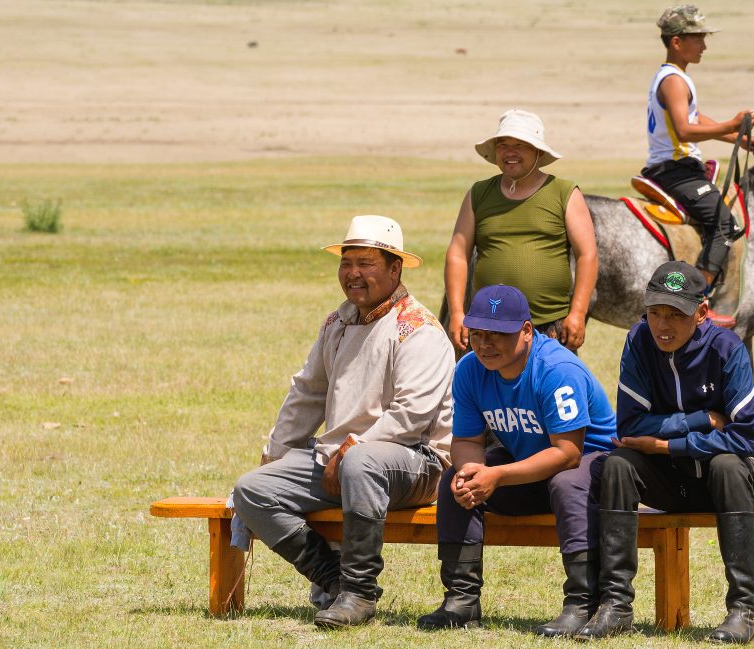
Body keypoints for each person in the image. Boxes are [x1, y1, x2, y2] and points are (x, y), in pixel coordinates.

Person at [231, 215, 454, 630]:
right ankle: (334, 580)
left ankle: (360, 592)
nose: (353, 273)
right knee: (252, 490)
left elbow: (412, 415)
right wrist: (276, 454)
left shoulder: (418, 328)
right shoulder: (338, 322)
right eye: (347, 262)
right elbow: (308, 393)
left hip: (417, 462)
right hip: (339, 459)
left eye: (366, 263)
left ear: (394, 268)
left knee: (361, 464)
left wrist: (352, 450)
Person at [577, 261, 754, 644]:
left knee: (729, 466)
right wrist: (699, 419)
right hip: (668, 475)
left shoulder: (727, 348)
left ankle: (741, 611)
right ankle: (616, 606)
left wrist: (667, 444)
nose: (662, 325)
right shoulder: (638, 340)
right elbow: (630, 427)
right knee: (617, 464)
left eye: (675, 315)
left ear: (700, 313)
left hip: (724, 479)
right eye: (654, 313)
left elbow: (746, 438)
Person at [418, 284, 616, 638]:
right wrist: (471, 471)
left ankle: (581, 604)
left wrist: (497, 475)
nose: (484, 344)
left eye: (497, 335)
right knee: (456, 481)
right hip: (529, 465)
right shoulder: (469, 370)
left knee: (566, 482)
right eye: (477, 334)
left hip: (592, 467)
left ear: (527, 331)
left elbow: (569, 453)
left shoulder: (556, 369)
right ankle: (462, 600)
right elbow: (465, 440)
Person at [642, 5, 754, 328]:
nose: (704, 46)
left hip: (677, 166)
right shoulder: (673, 81)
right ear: (677, 42)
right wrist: (731, 123)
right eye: (698, 39)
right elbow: (684, 129)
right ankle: (695, 297)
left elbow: (695, 121)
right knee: (725, 224)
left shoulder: (676, 78)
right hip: (675, 169)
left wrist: (737, 135)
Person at [445, 109, 598, 353]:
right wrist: (456, 313)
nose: (510, 152)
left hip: (549, 326)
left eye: (520, 145)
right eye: (503, 144)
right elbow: (457, 253)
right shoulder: (479, 193)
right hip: (488, 325)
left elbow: (587, 254)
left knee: (546, 390)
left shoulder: (564, 192)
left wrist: (578, 313)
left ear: (538, 151)